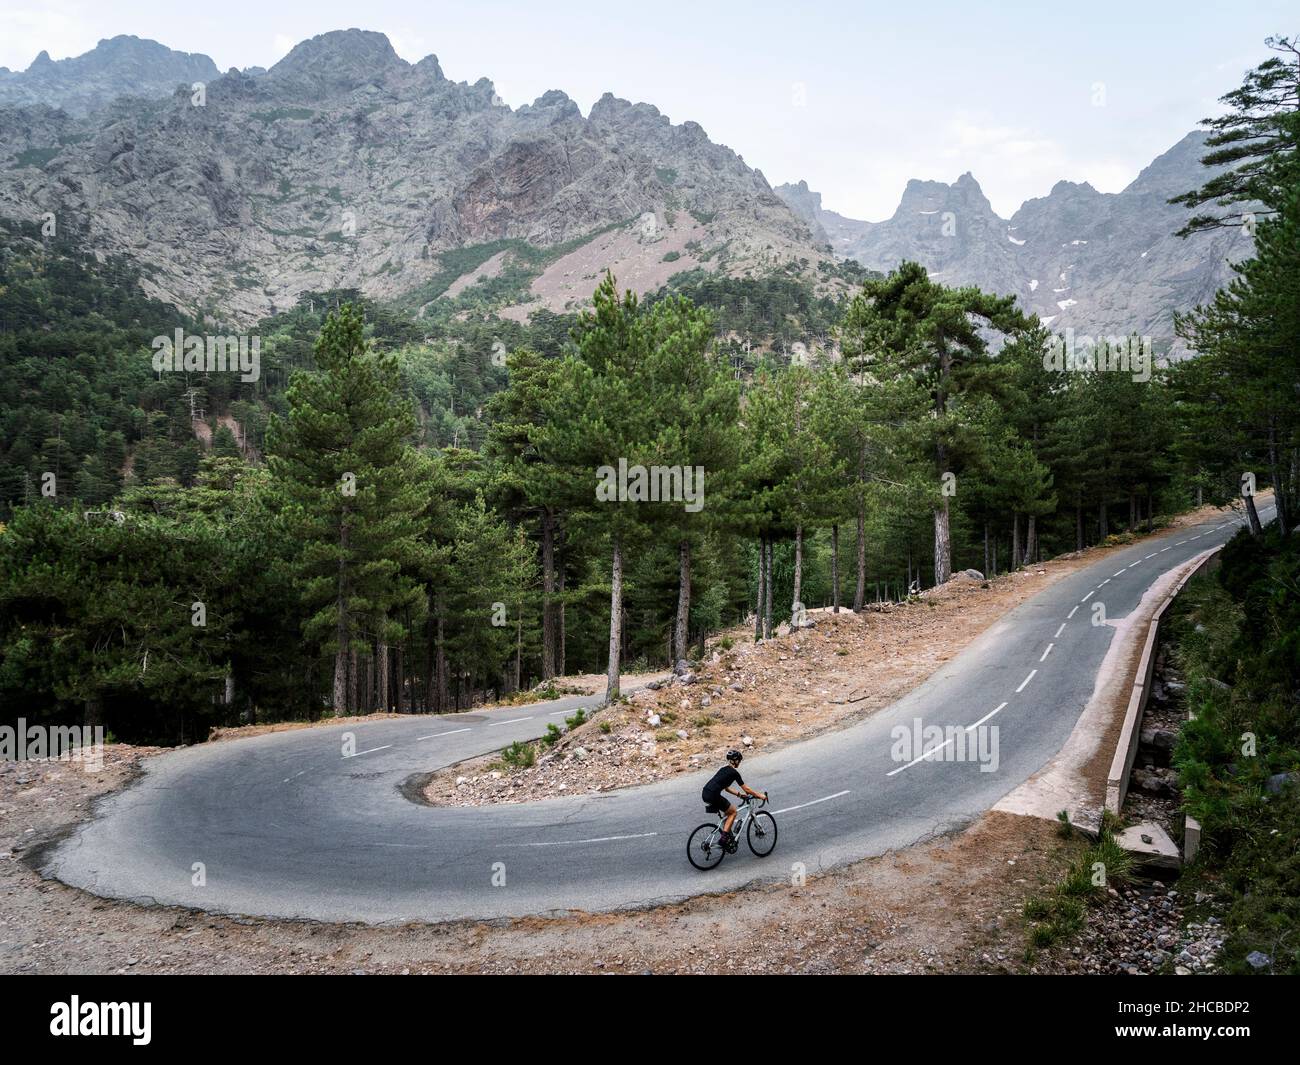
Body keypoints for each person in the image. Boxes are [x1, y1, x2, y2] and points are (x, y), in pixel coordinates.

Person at [701, 749, 766, 849]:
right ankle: (723, 840)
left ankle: (726, 834)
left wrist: (739, 795)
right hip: (713, 795)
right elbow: (747, 789)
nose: (739, 763)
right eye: (739, 760)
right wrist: (760, 795)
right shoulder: (734, 773)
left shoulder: (723, 769)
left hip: (705, 793)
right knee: (733, 812)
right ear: (735, 761)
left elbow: (726, 788)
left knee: (727, 812)